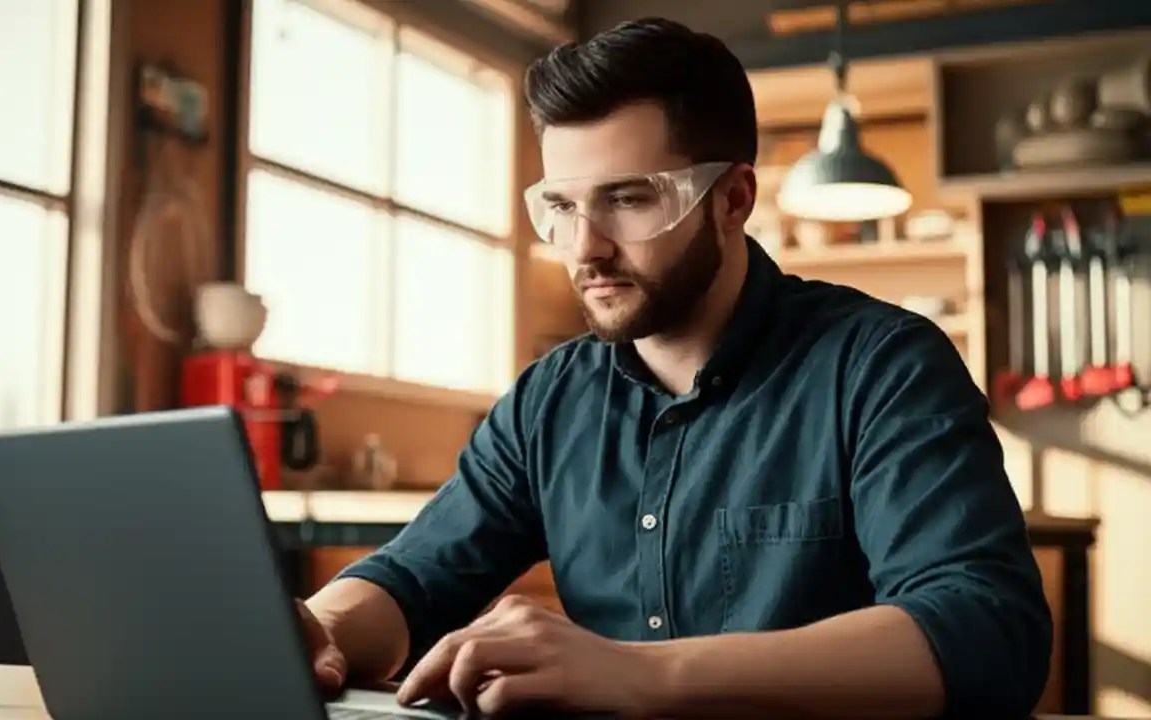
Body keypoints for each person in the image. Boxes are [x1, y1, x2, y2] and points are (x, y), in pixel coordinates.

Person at [296, 16, 1051, 719]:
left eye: (627, 199)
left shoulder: (882, 367)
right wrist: (317, 630)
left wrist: (642, 674)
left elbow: (986, 634)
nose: (583, 246)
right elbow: (415, 578)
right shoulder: (548, 402)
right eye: (560, 206)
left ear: (733, 198)